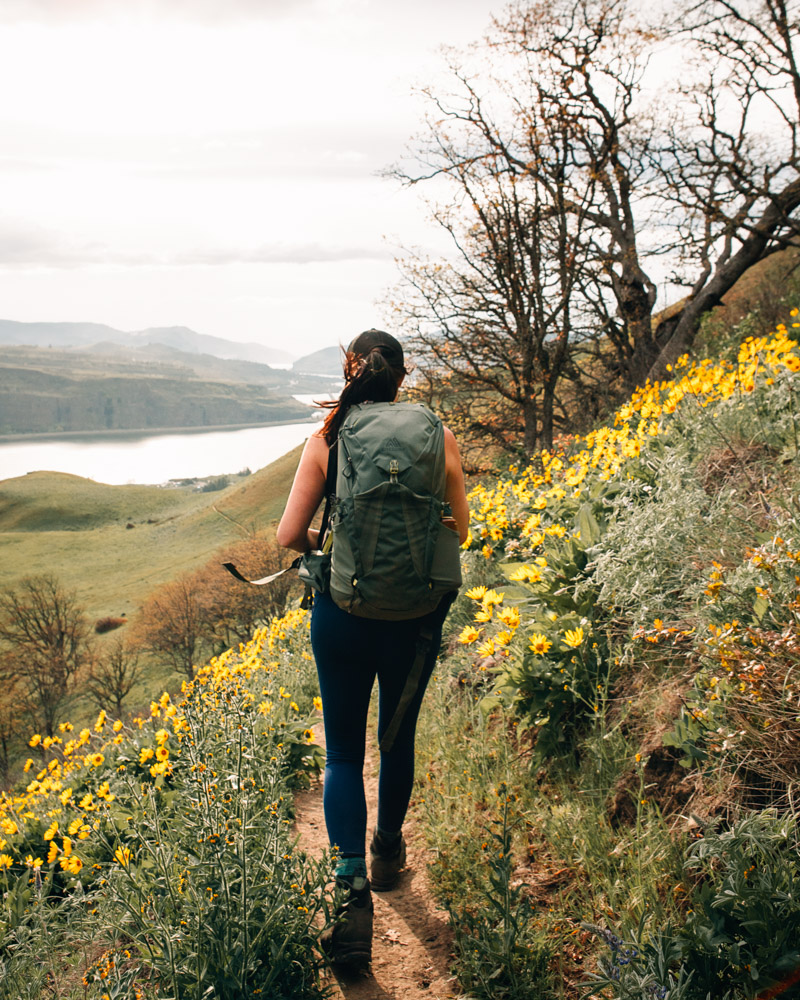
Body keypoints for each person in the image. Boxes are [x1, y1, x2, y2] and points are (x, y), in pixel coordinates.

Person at [277, 329, 469, 967]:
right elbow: (459, 530)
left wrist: (331, 553)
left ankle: (351, 890)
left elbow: (288, 535)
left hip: (343, 617)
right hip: (414, 619)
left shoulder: (327, 440)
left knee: (340, 755)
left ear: (351, 371)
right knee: (396, 742)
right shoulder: (437, 435)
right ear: (403, 376)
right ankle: (389, 852)